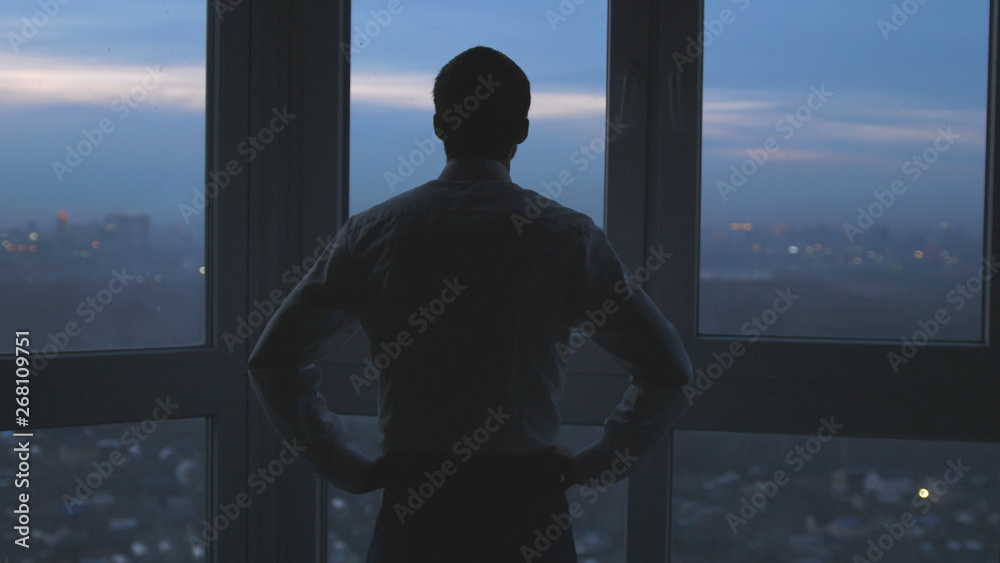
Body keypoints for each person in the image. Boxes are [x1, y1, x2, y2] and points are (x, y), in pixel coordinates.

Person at [248, 45, 693, 562]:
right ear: (521, 130)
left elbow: (274, 359)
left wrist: (346, 465)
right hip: (528, 509)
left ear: (440, 125)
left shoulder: (373, 233)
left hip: (417, 511)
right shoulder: (566, 237)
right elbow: (667, 369)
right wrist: (598, 463)